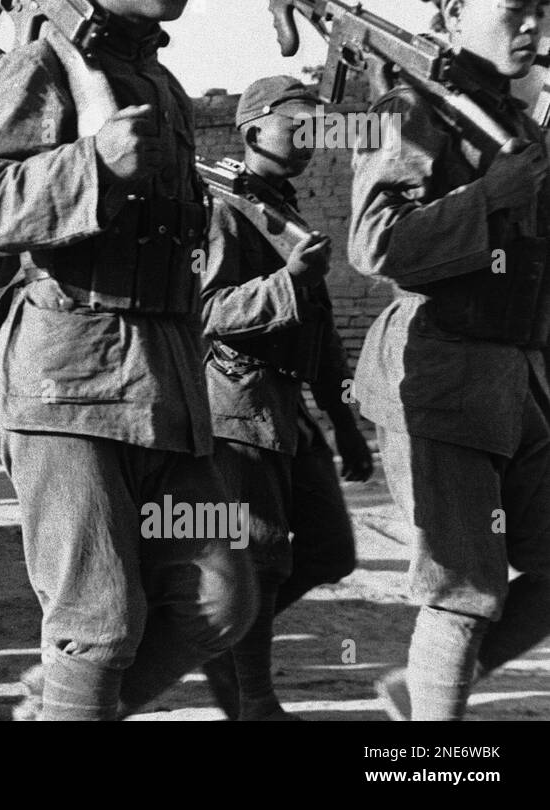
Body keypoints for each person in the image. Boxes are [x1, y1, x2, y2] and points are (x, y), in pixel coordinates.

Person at [0, 0, 257, 720]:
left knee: (220, 597)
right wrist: (91, 164)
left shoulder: (160, 84)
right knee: (99, 619)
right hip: (65, 382)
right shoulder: (42, 65)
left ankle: (66, 706)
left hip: (162, 385)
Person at [348, 0, 550, 720]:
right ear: (456, 10)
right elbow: (379, 243)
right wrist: (490, 196)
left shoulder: (519, 122)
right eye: (516, 7)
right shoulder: (415, 110)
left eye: (544, 10)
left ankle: (424, 689)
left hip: (519, 374)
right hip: (443, 369)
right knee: (465, 587)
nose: (534, 26)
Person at [198, 76, 372, 720]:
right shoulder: (221, 205)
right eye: (296, 126)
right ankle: (255, 698)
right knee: (263, 554)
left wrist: (344, 424)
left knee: (330, 549)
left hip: (286, 408)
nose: (310, 140)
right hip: (236, 402)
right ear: (251, 132)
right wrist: (287, 281)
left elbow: (318, 322)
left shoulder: (281, 206)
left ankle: (223, 639)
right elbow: (207, 309)